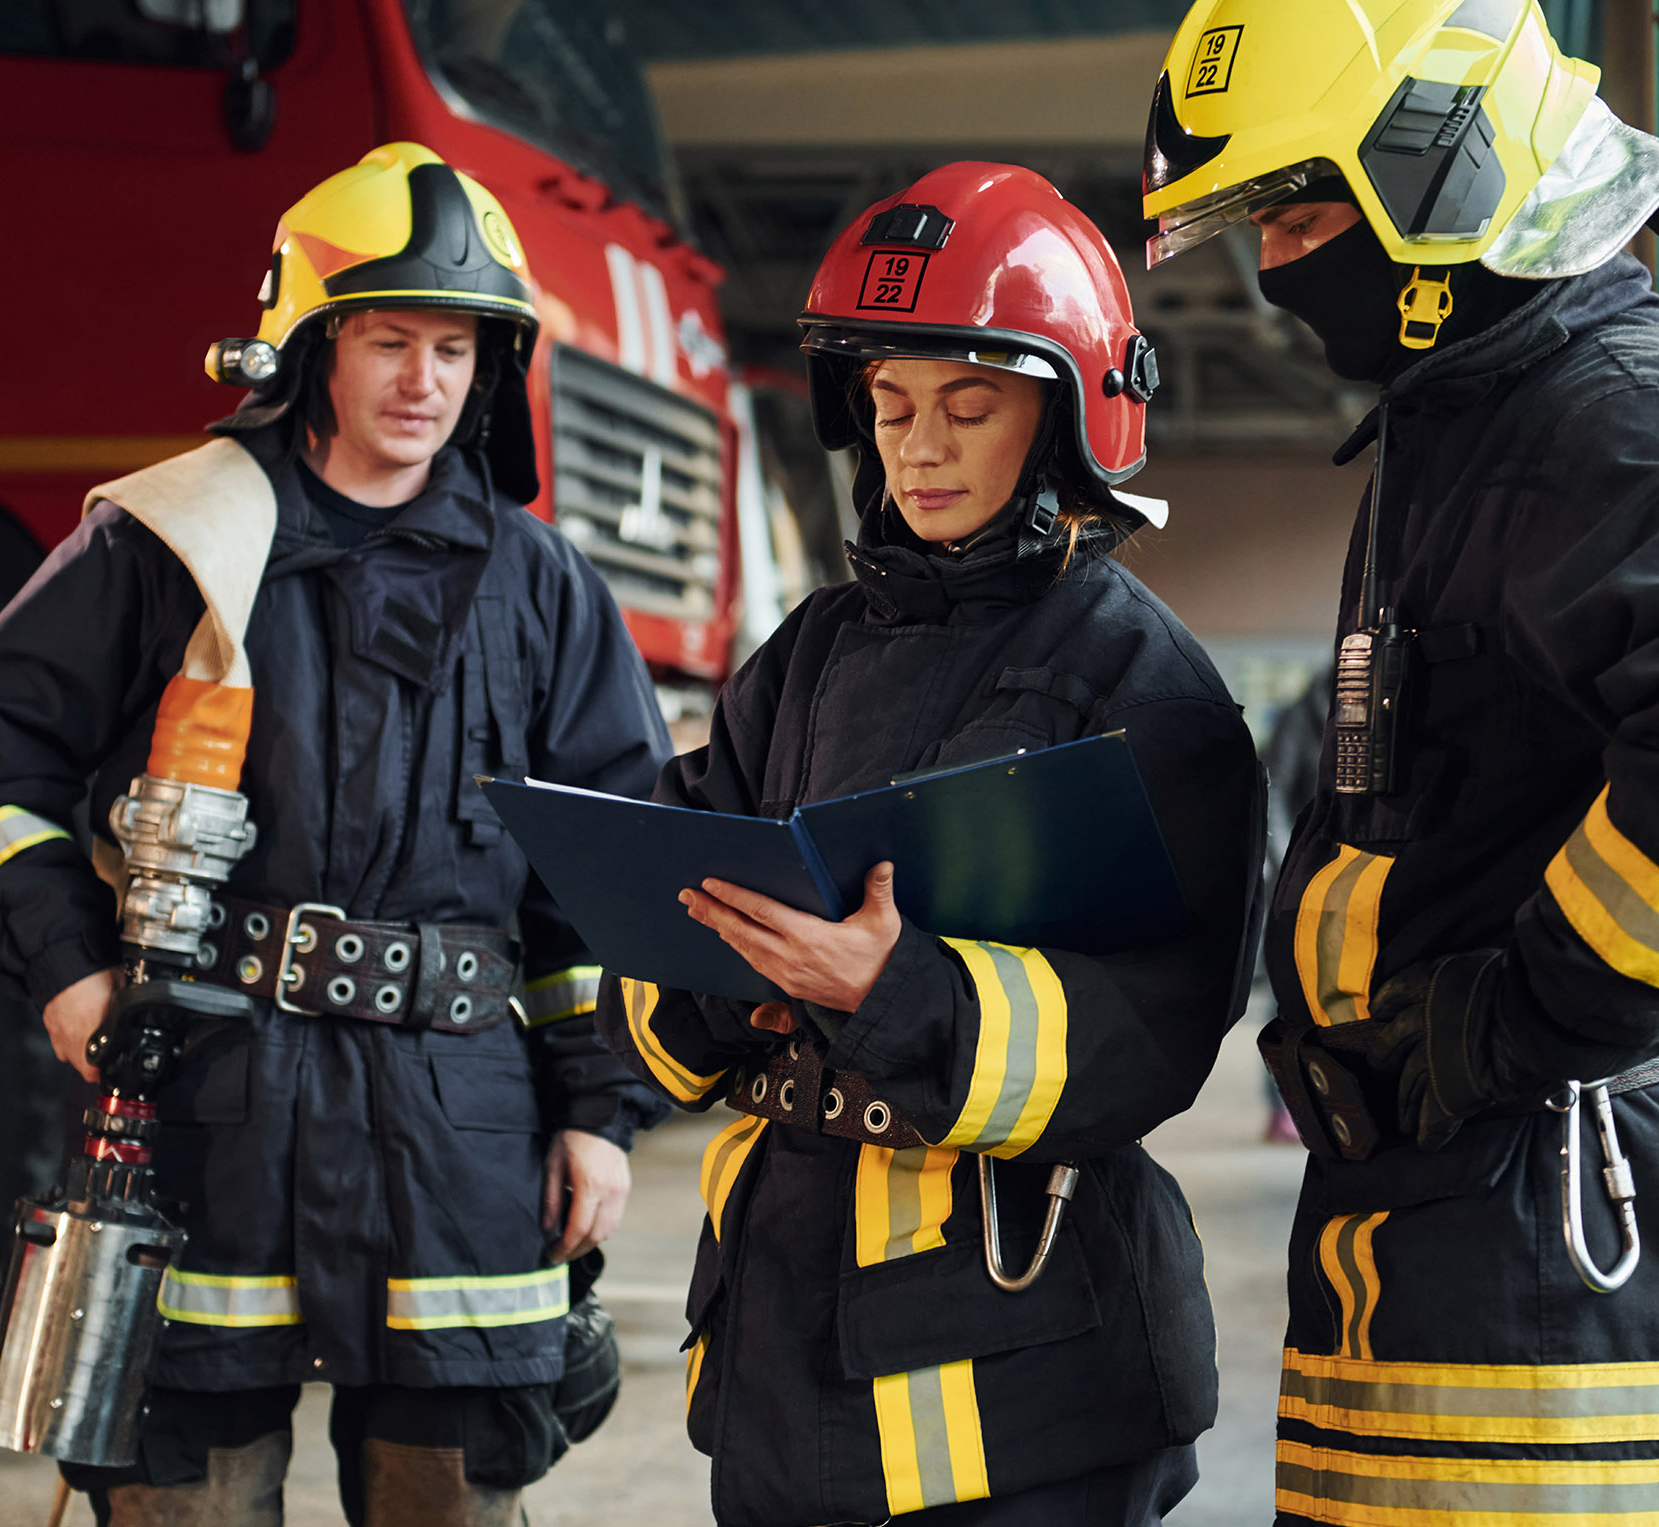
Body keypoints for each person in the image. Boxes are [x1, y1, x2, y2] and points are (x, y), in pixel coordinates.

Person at [1141, 3, 1659, 1523]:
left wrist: (1540, 1004)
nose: (1274, 266)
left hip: (1568, 1263)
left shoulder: (1600, 416)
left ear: (1442, 162)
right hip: (1455, 1245)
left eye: (1300, 205)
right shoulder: (1472, 426)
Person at [0, 143, 670, 1526]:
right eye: (388, 337)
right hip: (209, 1115)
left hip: (462, 1139)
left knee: (450, 1498)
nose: (424, 381)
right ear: (309, 342)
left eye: (456, 346)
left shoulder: (543, 590)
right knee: (182, 1499)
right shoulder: (172, 542)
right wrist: (73, 975)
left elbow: (598, 875)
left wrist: (600, 1113)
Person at [592, 161, 1266, 1527]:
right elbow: (661, 955)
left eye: (969, 405)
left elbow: (1165, 1027)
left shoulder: (1147, 683)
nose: (919, 448)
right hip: (780, 1340)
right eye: (891, 408)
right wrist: (738, 968)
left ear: (1069, 418)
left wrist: (893, 992)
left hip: (1026, 1363)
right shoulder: (805, 657)